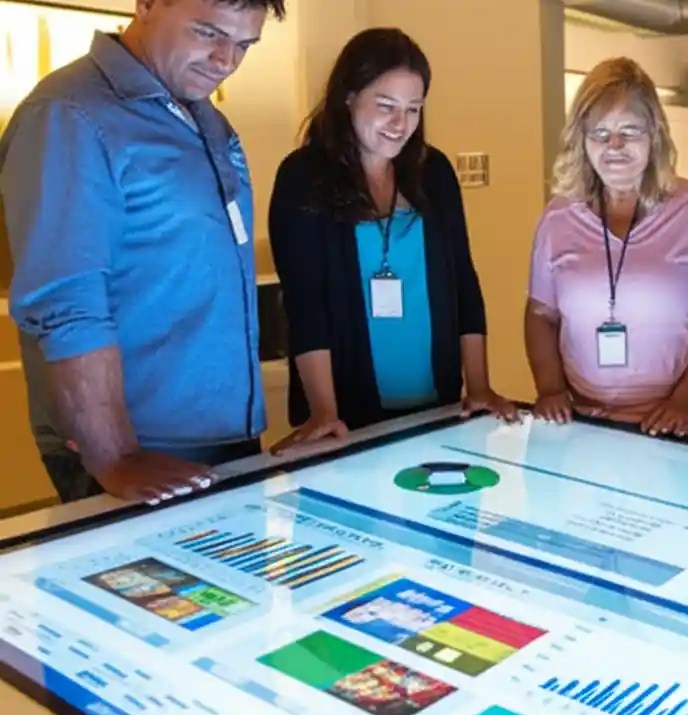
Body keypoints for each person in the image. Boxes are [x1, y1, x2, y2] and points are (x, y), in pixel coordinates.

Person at [0, 0, 286, 504]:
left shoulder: (203, 117)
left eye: (243, 44)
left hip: (223, 433)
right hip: (140, 451)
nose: (226, 60)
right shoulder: (72, 114)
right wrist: (113, 455)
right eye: (208, 32)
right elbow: (67, 297)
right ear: (147, 4)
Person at [268, 28, 515, 452]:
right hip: (348, 420)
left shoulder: (433, 171)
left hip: (436, 409)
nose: (400, 124)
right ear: (348, 97)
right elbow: (305, 304)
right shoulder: (303, 177)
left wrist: (479, 384)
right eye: (385, 106)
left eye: (413, 109)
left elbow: (464, 284)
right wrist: (324, 411)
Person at [524, 57, 688, 435]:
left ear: (654, 135)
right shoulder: (557, 218)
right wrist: (550, 389)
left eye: (630, 131)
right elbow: (541, 315)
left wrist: (683, 403)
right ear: (582, 139)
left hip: (684, 422)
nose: (615, 146)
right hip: (584, 422)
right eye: (600, 133)